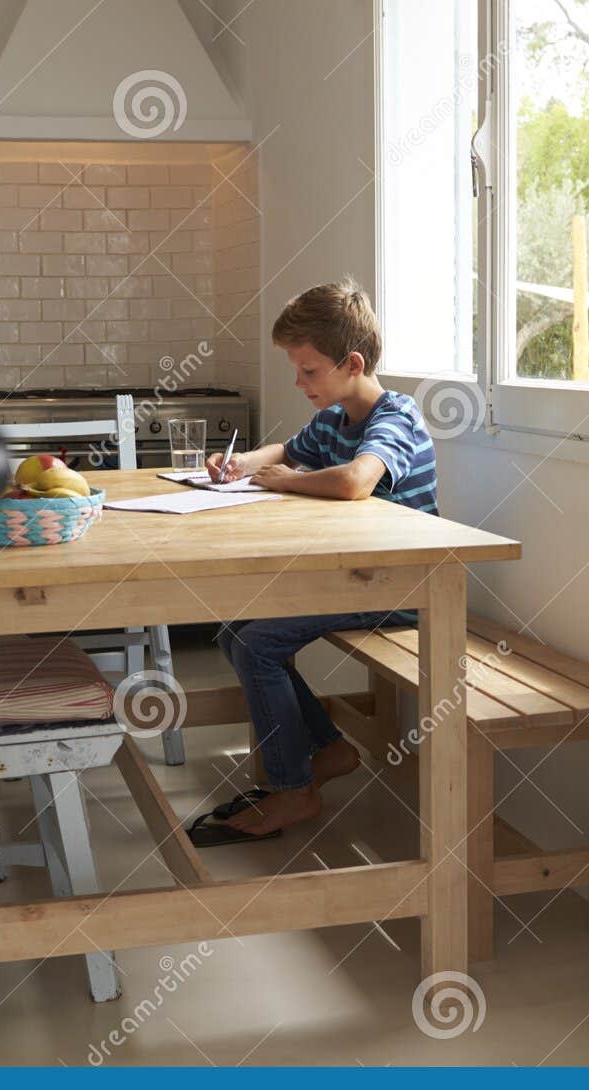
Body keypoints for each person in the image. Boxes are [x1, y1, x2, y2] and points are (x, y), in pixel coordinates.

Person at [190, 278, 438, 845]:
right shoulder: (334, 417)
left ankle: (292, 789)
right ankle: (326, 751)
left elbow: (356, 482)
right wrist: (247, 462)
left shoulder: (395, 417)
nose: (299, 383)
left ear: (351, 363)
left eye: (309, 371)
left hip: (399, 589)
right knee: (235, 631)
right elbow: (287, 451)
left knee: (257, 644)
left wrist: (290, 481)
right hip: (352, 582)